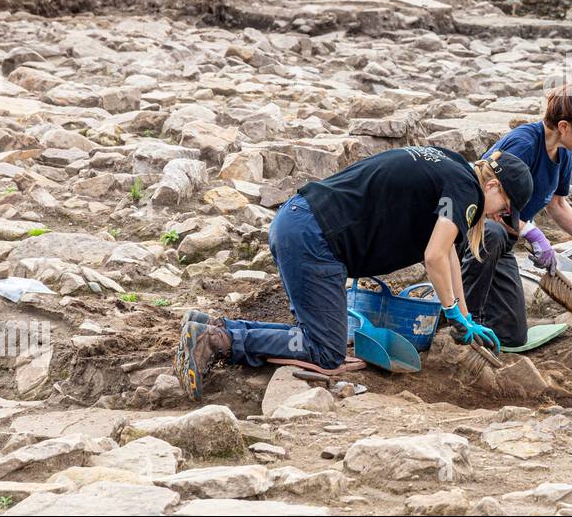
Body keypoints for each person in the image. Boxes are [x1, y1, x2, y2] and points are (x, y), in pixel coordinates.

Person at [174, 145, 534, 401]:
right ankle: (217, 340)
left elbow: (451, 256)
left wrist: (465, 318)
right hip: (315, 241)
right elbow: (434, 256)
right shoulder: (466, 190)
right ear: (492, 186)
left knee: (319, 336)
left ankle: (210, 325)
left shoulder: (452, 166)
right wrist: (452, 312)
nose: (496, 217)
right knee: (327, 353)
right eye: (503, 208)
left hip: (301, 221)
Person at [460, 79, 572, 348]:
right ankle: (463, 322)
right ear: (564, 126)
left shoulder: (563, 154)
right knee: (494, 233)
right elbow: (489, 204)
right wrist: (533, 234)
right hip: (473, 232)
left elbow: (557, 204)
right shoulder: (523, 145)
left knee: (512, 336)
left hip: (501, 243)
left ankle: (460, 311)